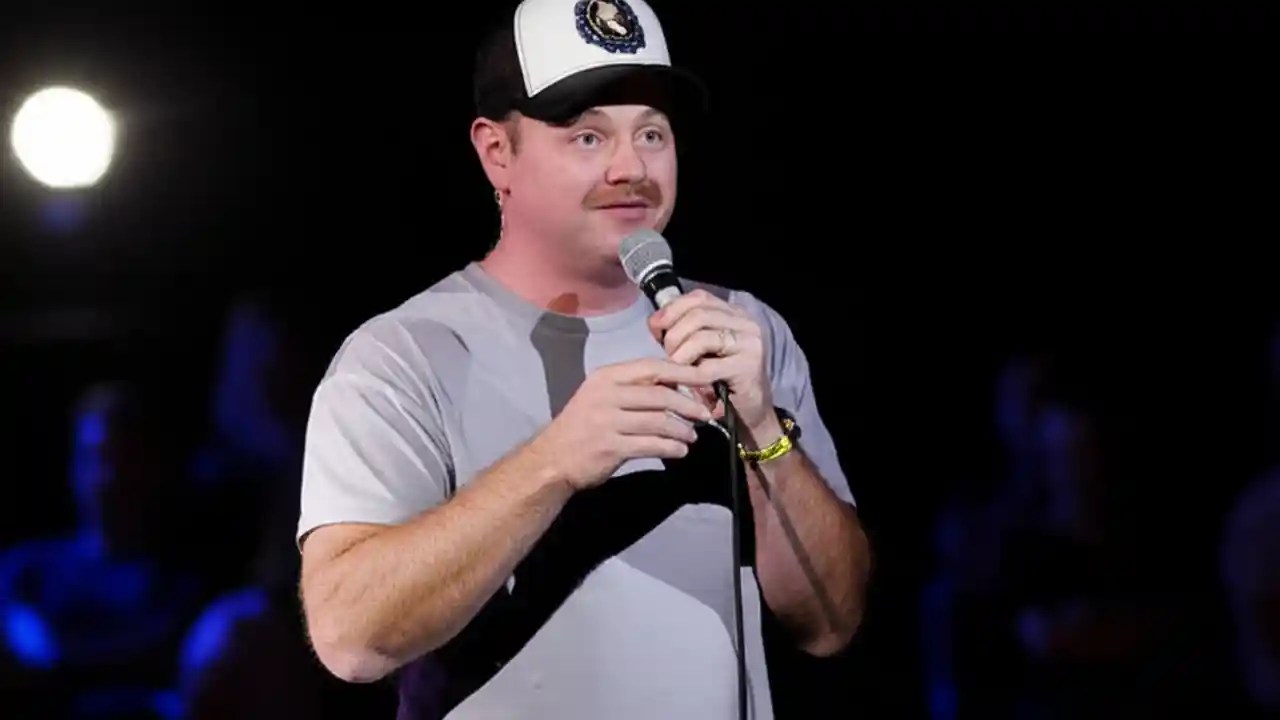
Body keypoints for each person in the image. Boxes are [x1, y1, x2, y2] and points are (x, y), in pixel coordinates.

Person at [295, 0, 871, 717]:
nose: (632, 167)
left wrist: (764, 431)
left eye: (652, 134)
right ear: (496, 154)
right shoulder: (403, 355)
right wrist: (555, 461)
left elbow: (832, 624)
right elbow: (351, 639)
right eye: (588, 137)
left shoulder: (743, 333)